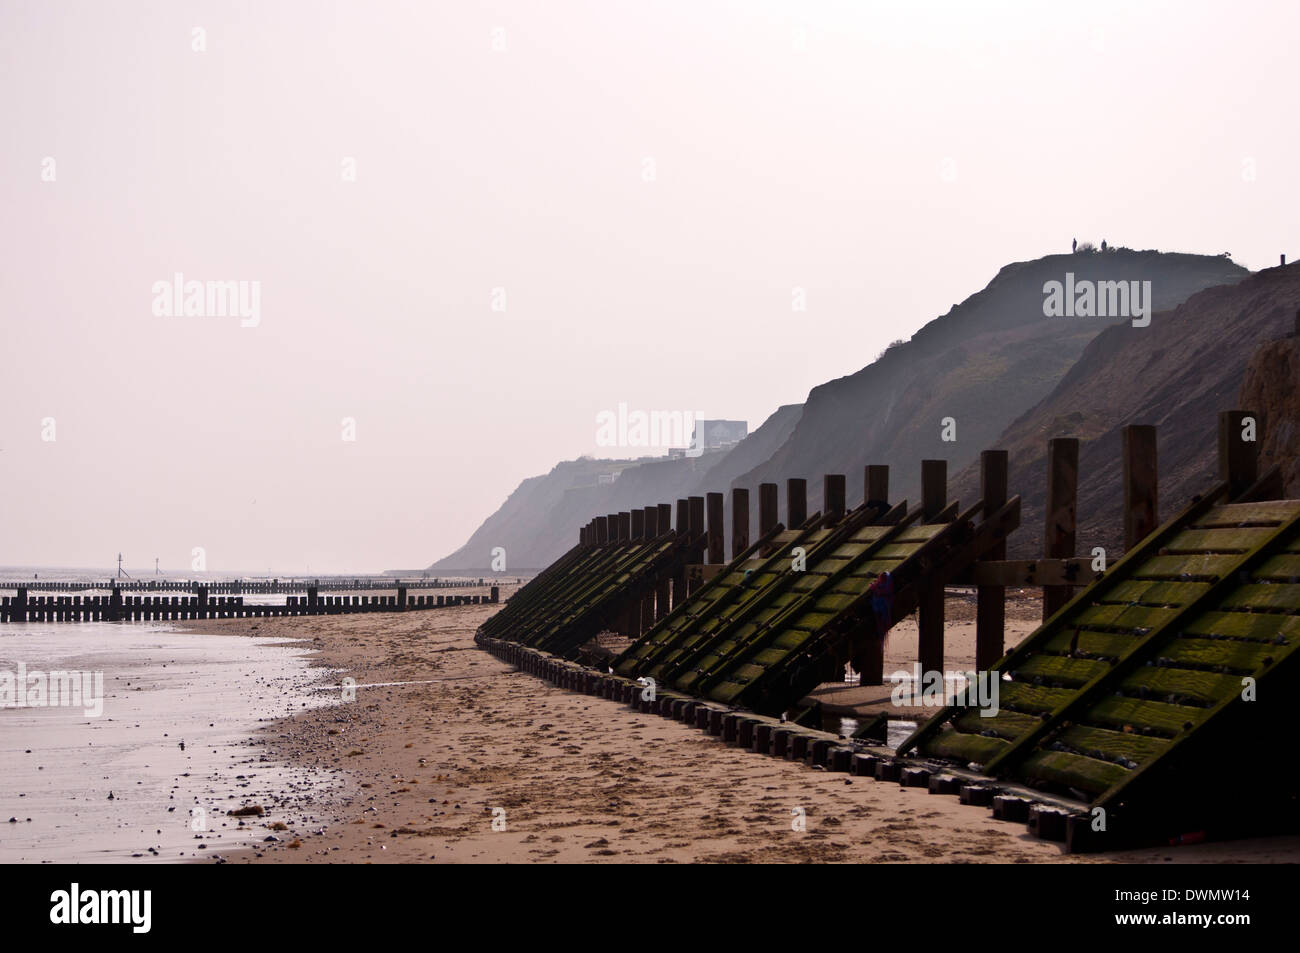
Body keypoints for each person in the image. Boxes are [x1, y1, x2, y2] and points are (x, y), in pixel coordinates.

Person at [866, 571, 893, 638]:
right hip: (880, 605)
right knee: (880, 620)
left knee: (882, 619)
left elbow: (873, 587)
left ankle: (881, 630)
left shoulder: (885, 584)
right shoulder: (880, 584)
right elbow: (873, 587)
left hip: (883, 605)